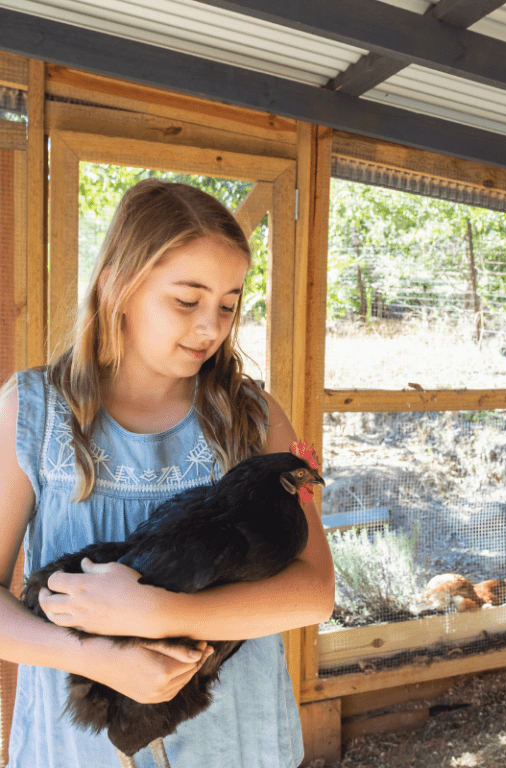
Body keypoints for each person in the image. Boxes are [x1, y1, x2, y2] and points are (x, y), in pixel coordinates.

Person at [0, 178, 335, 767]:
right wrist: (95, 656)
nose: (212, 327)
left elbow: (314, 593)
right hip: (83, 746)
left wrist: (159, 614)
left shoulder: (251, 417)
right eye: (186, 301)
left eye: (228, 304)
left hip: (233, 741)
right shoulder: (32, 414)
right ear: (118, 287)